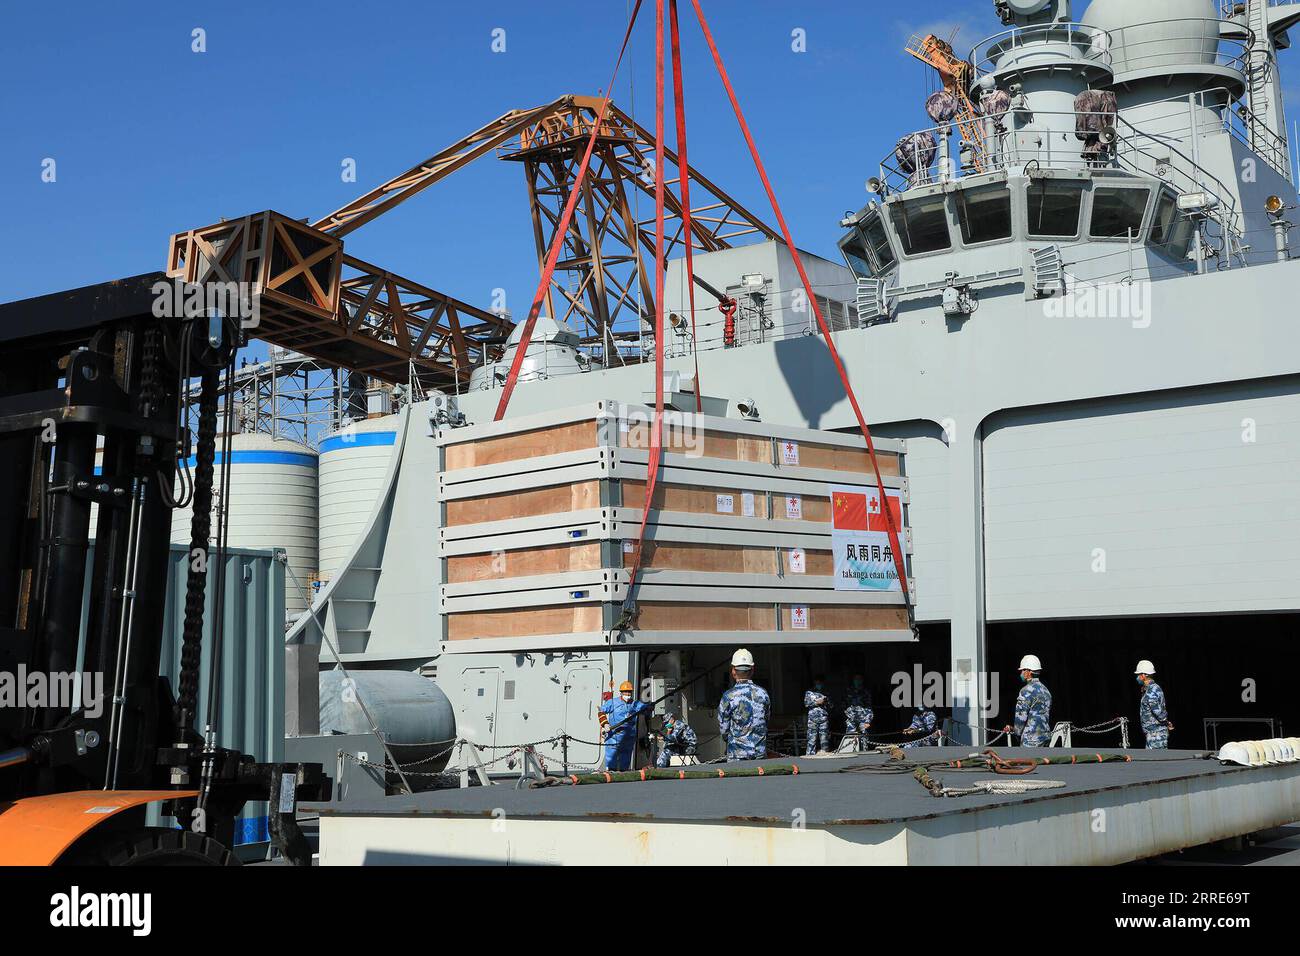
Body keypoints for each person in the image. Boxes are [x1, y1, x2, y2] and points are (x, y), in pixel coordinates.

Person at [718, 648, 770, 761]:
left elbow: (724, 729)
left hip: (737, 754)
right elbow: (766, 720)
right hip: (759, 753)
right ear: (752, 670)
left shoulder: (728, 696)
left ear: (733, 671)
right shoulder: (763, 693)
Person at [600, 680, 651, 771]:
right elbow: (601, 711)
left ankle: (624, 773)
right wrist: (605, 724)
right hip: (614, 736)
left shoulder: (635, 704)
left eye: (629, 692)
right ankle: (611, 772)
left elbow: (644, 708)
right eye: (625, 692)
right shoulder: (612, 702)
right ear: (621, 692)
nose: (627, 694)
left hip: (628, 737)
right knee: (612, 760)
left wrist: (650, 706)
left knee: (625, 760)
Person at [1004, 654, 1052, 747]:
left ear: (1028, 671)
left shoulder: (1026, 691)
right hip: (1045, 738)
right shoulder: (1046, 690)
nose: (1021, 673)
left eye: (1022, 670)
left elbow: (1020, 720)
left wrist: (1015, 731)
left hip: (1031, 741)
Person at [1135, 660, 1173, 749]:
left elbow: (1158, 712)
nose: (1137, 677)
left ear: (1144, 675)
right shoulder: (1148, 689)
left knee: (1158, 760)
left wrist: (1166, 722)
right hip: (1152, 733)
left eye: (1139, 674)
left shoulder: (1152, 690)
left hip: (1156, 734)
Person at [844, 674, 873, 751]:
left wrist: (868, 721)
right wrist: (847, 715)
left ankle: (864, 755)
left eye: (859, 679)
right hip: (851, 718)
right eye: (856, 679)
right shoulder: (848, 691)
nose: (857, 681)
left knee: (863, 738)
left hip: (863, 718)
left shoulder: (865, 692)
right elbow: (844, 705)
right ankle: (850, 755)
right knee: (851, 738)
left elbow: (869, 707)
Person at [803, 675, 831, 755]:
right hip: (812, 719)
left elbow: (831, 705)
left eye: (820, 682)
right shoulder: (809, 692)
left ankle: (824, 753)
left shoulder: (826, 692)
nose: (818, 684)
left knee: (824, 739)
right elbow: (806, 704)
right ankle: (810, 755)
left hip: (823, 719)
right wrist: (816, 702)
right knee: (812, 739)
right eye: (817, 682)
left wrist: (826, 701)